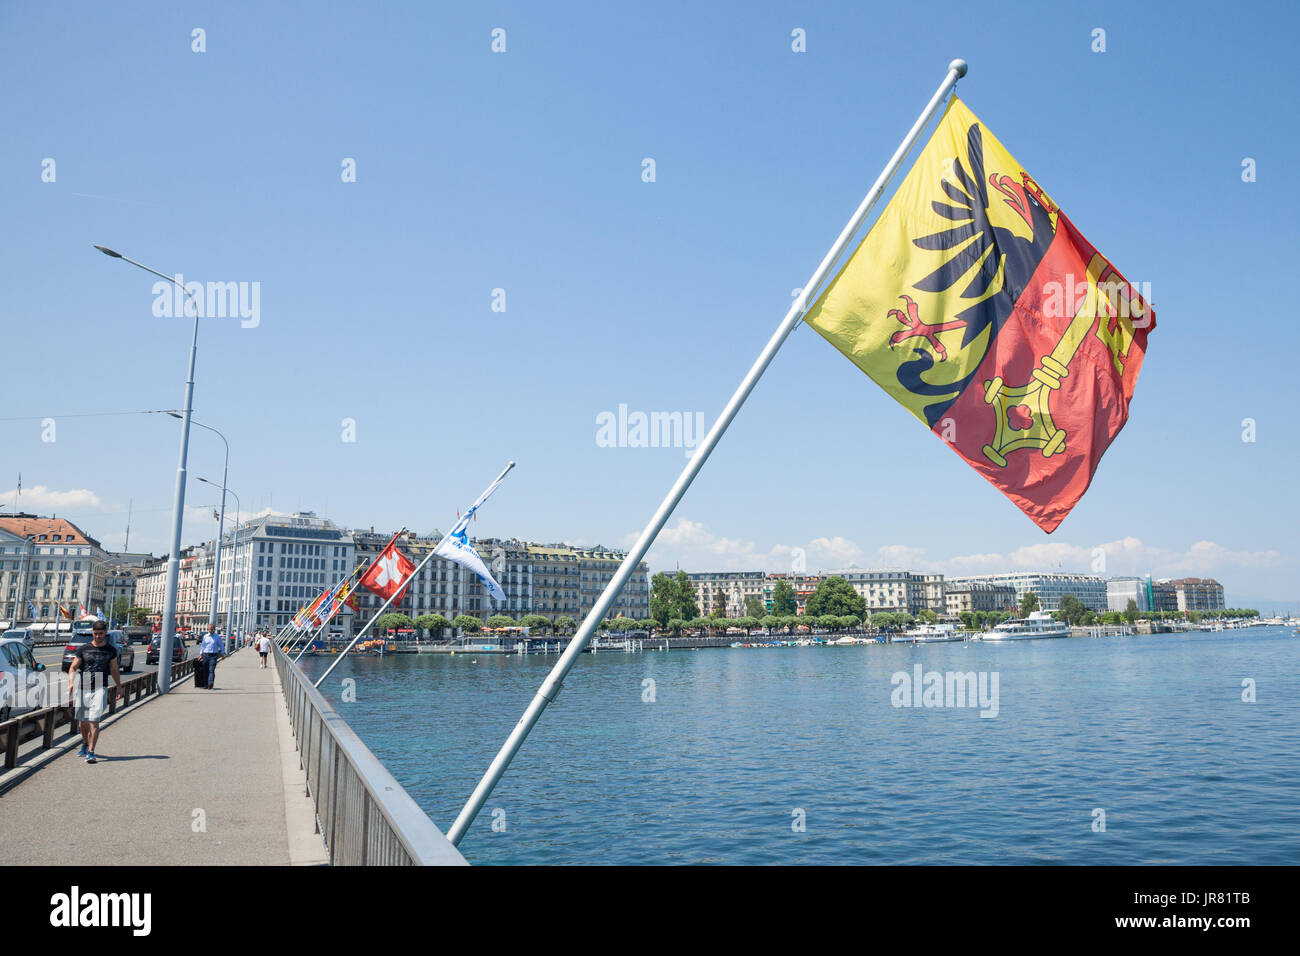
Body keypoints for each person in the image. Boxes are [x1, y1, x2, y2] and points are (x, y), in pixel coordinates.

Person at [66, 621, 123, 764]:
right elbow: (73, 667)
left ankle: (91, 752)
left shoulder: (110, 650)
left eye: (101, 634)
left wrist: (119, 686)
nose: (98, 636)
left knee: (94, 721)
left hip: (100, 687)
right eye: (96, 633)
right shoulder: (84, 649)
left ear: (105, 633)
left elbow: (114, 669)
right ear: (92, 633)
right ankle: (85, 743)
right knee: (83, 721)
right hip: (84, 687)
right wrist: (71, 682)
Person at [200, 623, 225, 689]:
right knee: (205, 670)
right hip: (205, 655)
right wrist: (201, 654)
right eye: (209, 629)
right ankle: (205, 685)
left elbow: (221, 645)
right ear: (208, 629)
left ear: (214, 629)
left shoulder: (217, 637)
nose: (211, 630)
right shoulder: (205, 636)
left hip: (213, 655)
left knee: (211, 670)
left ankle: (210, 683)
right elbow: (202, 646)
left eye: (212, 629)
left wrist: (222, 653)